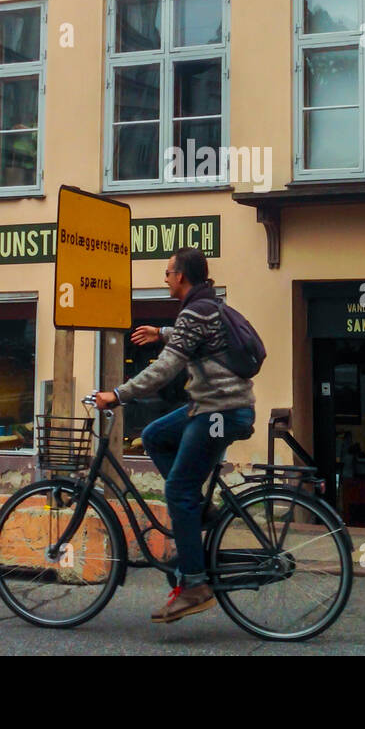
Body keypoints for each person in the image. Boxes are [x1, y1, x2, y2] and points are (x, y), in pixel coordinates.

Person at [93, 247, 255, 624]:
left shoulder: (195, 311)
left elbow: (165, 370)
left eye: (168, 272)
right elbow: (197, 340)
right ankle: (199, 510)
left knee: (177, 489)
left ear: (181, 276)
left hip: (219, 412)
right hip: (216, 406)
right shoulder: (206, 306)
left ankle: (195, 584)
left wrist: (117, 395)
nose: (165, 278)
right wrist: (162, 332)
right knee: (153, 434)